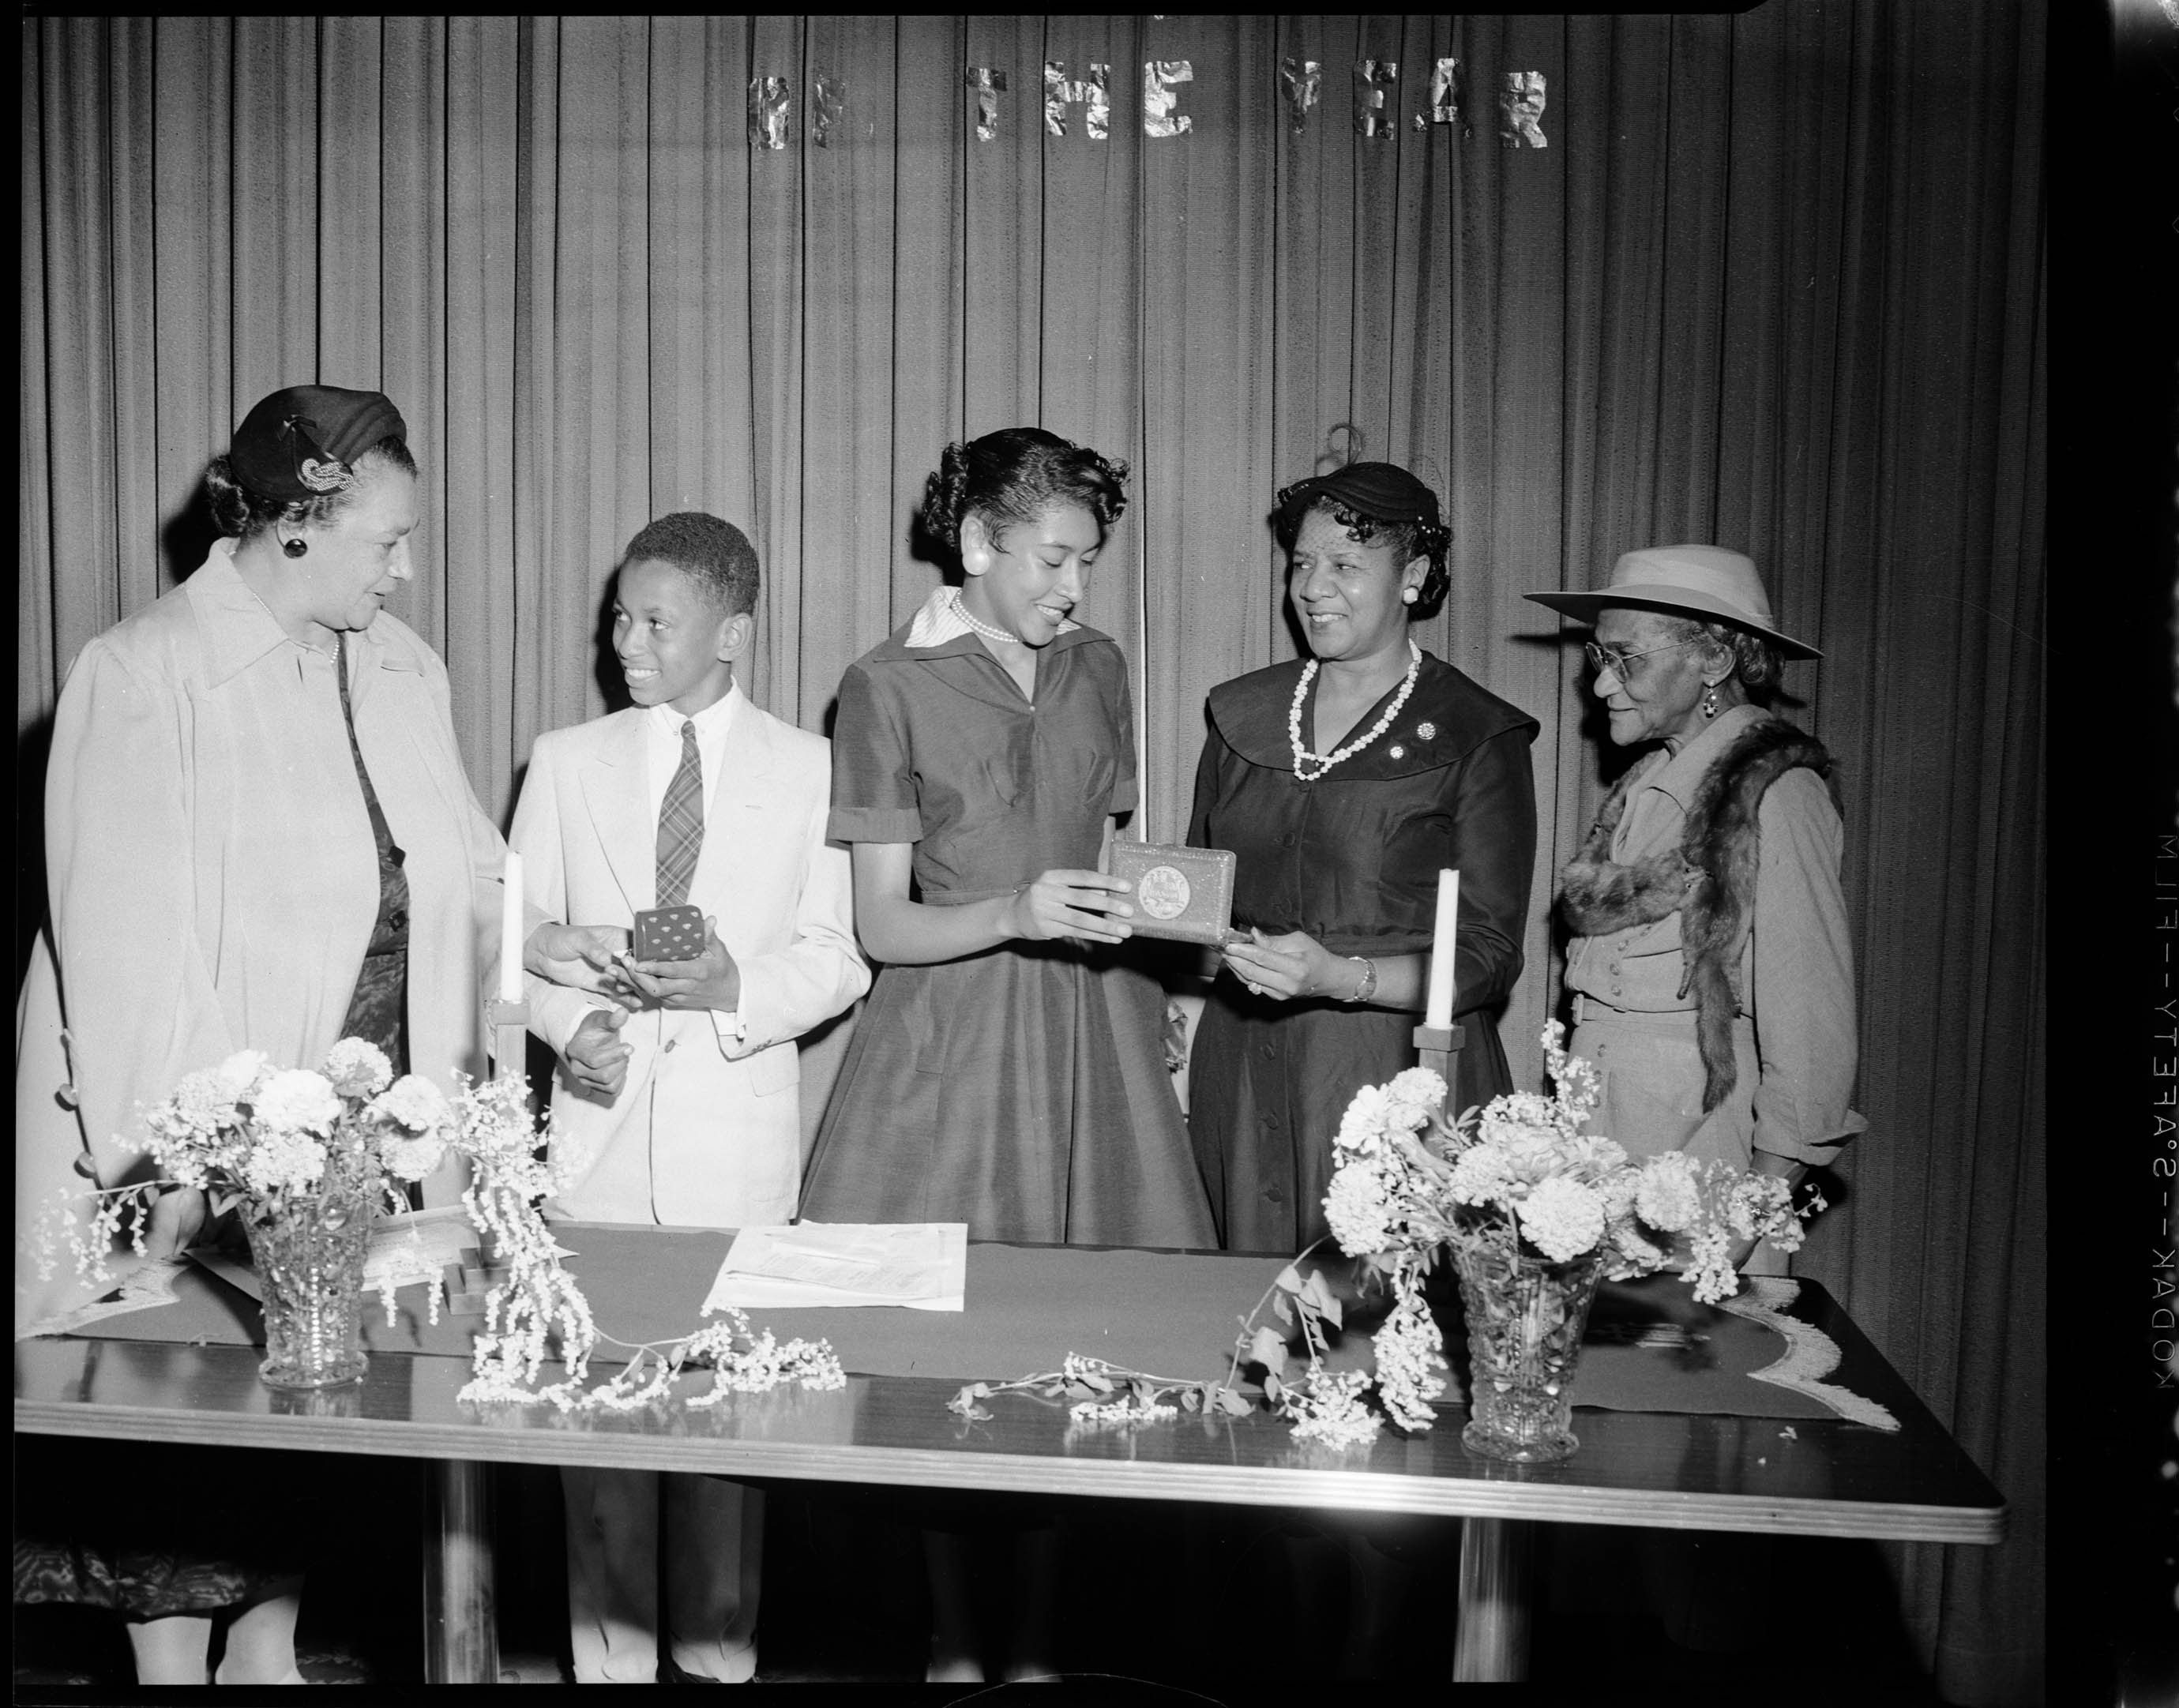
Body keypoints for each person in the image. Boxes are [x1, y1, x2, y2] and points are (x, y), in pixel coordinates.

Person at [13, 385, 513, 1684]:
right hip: (162, 1138)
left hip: (348, 1140)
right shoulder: (142, 671)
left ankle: (270, 1652)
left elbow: (464, 865)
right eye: (384, 540)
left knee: (307, 1428)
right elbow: (121, 963)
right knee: (170, 1432)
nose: (405, 568)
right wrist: (194, 1167)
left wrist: (547, 949)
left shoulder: (403, 666)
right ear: (297, 523)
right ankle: (178, 1668)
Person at [799, 426, 1215, 1682]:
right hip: (948, 1048)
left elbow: (1115, 857)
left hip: (1093, 1043)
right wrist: (1013, 911)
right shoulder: (885, 684)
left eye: (1085, 559)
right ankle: (951, 1639)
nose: (1071, 586)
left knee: (1078, 1350)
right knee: (948, 1355)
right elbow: (882, 923)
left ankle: (1032, 1648)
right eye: (1048, 557)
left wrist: (1171, 952)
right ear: (975, 542)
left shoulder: (1100, 666)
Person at [511, 512, 868, 1684]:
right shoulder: (564, 759)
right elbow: (508, 946)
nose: (626, 638)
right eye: (620, 612)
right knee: (599, 1473)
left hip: (735, 1161)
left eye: (656, 619)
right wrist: (575, 1029)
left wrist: (732, 989)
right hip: (596, 1159)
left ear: (734, 630)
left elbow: (835, 953)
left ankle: (720, 1676)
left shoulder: (811, 770)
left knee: (723, 1469)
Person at [1186, 460, 1539, 1256]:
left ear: (1412, 576)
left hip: (1394, 1072)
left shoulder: (1476, 735)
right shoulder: (1240, 713)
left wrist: (1340, 977)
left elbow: (1485, 957)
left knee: (1383, 1329)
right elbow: (1201, 899)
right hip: (1242, 1071)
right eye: (1301, 563)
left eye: (1344, 565)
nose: (1313, 588)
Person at [1525, 544, 1866, 1223]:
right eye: (1599, 657)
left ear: (1713, 658)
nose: (1600, 685)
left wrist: (1753, 1208)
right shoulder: (1649, 781)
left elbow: (1810, 1030)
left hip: (1698, 1148)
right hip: (1600, 1123)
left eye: (1628, 660)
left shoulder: (1777, 791)